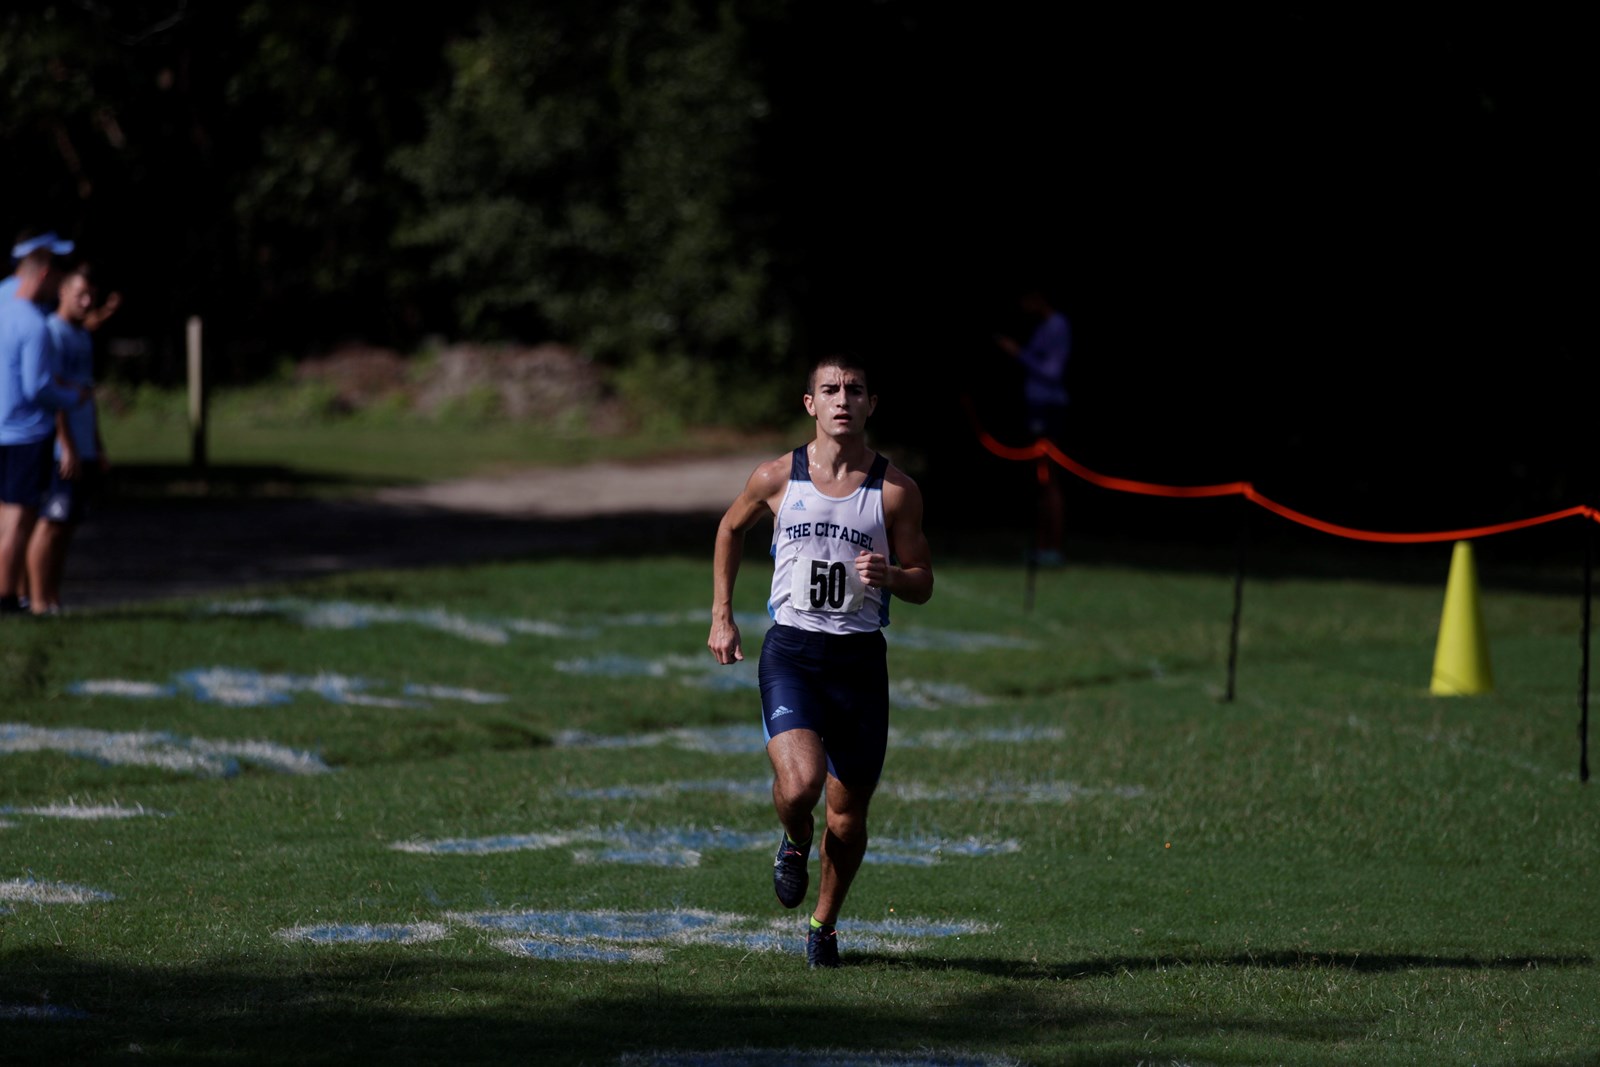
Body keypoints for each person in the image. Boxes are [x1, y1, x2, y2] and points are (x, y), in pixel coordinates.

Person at [707, 353, 934, 969]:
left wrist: (891, 574)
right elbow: (730, 529)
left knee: (848, 814)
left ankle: (823, 925)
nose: (842, 399)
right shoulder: (777, 477)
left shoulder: (895, 491)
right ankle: (793, 838)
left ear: (870, 405)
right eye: (829, 390)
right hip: (794, 653)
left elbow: (923, 583)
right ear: (810, 404)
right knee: (801, 786)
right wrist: (722, 613)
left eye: (854, 390)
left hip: (859, 662)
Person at [1, 236, 89, 615]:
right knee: (19, 522)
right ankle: (8, 599)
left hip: (4, 429)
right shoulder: (34, 323)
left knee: (8, 520)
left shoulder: (4, 303)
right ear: (46, 274)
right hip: (24, 432)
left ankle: (16, 596)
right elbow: (37, 387)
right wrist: (75, 397)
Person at [24, 261, 109, 614]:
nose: (87, 302)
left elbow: (86, 395)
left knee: (67, 526)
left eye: (91, 295)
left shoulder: (82, 335)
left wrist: (98, 444)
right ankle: (37, 600)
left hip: (84, 445)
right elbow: (50, 393)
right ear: (63, 292)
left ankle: (53, 598)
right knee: (50, 524)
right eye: (80, 294)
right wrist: (68, 444)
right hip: (62, 449)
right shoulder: (51, 333)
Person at [994, 286, 1070, 566]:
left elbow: (1053, 371)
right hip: (1038, 409)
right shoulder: (1045, 326)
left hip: (1049, 410)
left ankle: (1053, 547)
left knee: (1049, 479)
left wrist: (1018, 353)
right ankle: (1043, 545)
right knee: (1041, 480)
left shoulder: (1057, 325)